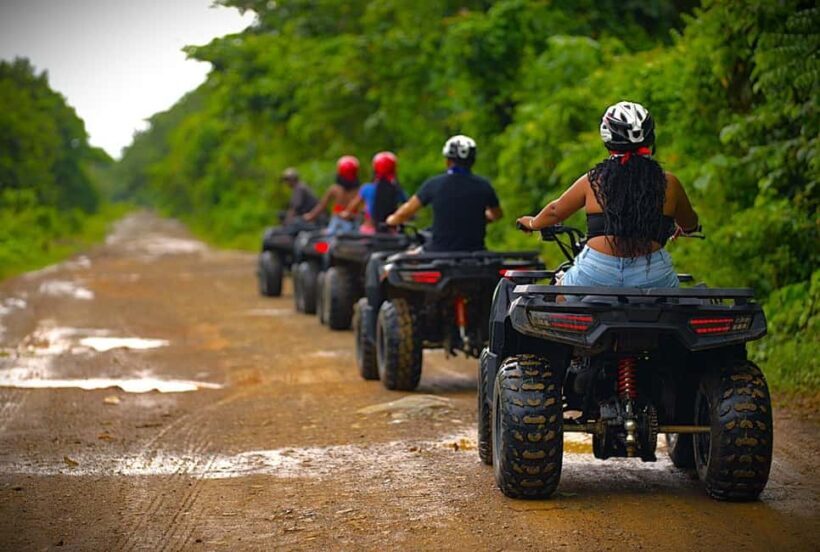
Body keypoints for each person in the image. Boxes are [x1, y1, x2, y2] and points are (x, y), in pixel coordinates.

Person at [516, 101, 699, 290]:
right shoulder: (669, 183)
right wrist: (688, 227)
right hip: (651, 273)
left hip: (596, 272)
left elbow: (555, 210)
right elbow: (689, 222)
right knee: (672, 302)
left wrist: (532, 223)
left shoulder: (595, 179)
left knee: (559, 294)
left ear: (607, 137)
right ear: (650, 137)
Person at [385, 135, 503, 250]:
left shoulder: (434, 184)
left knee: (400, 260)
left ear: (448, 161)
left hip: (438, 251)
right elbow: (497, 214)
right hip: (476, 252)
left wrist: (391, 220)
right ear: (473, 161)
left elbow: (406, 212)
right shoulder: (484, 185)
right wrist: (477, 218)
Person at [341, 151, 407, 233]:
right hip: (391, 231)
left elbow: (352, 207)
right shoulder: (397, 189)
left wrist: (346, 213)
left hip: (369, 230)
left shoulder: (366, 188)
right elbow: (407, 206)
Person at [303, 155, 361, 234]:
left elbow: (322, 206)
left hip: (336, 224)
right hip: (354, 225)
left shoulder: (335, 189)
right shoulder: (359, 190)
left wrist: (311, 216)